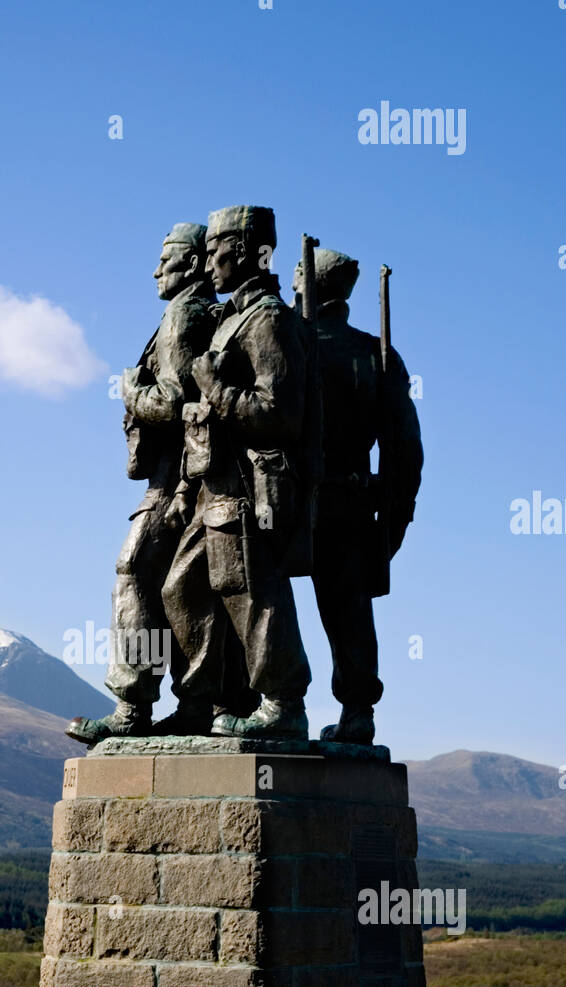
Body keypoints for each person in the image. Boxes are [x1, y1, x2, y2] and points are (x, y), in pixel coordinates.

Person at [66, 223, 222, 745]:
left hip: (177, 480)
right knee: (183, 589)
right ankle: (195, 703)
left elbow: (176, 403)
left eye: (167, 258)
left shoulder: (183, 315)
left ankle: (133, 705)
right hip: (193, 479)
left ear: (195, 263)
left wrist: (131, 390)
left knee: (134, 569)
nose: (157, 269)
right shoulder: (199, 313)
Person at [161, 204, 312, 738]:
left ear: (245, 251)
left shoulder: (267, 317)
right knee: (182, 589)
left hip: (250, 485)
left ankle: (284, 704)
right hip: (213, 483)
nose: (207, 258)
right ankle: (198, 703)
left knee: (252, 590)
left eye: (215, 248)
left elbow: (280, 414)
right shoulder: (232, 318)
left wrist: (215, 388)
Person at [295, 247, 423, 744]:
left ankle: (264, 702)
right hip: (351, 502)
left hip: (288, 498)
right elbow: (405, 452)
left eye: (298, 276)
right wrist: (395, 517)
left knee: (260, 598)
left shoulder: (291, 339)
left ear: (311, 283)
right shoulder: (378, 355)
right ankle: (357, 711)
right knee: (349, 609)